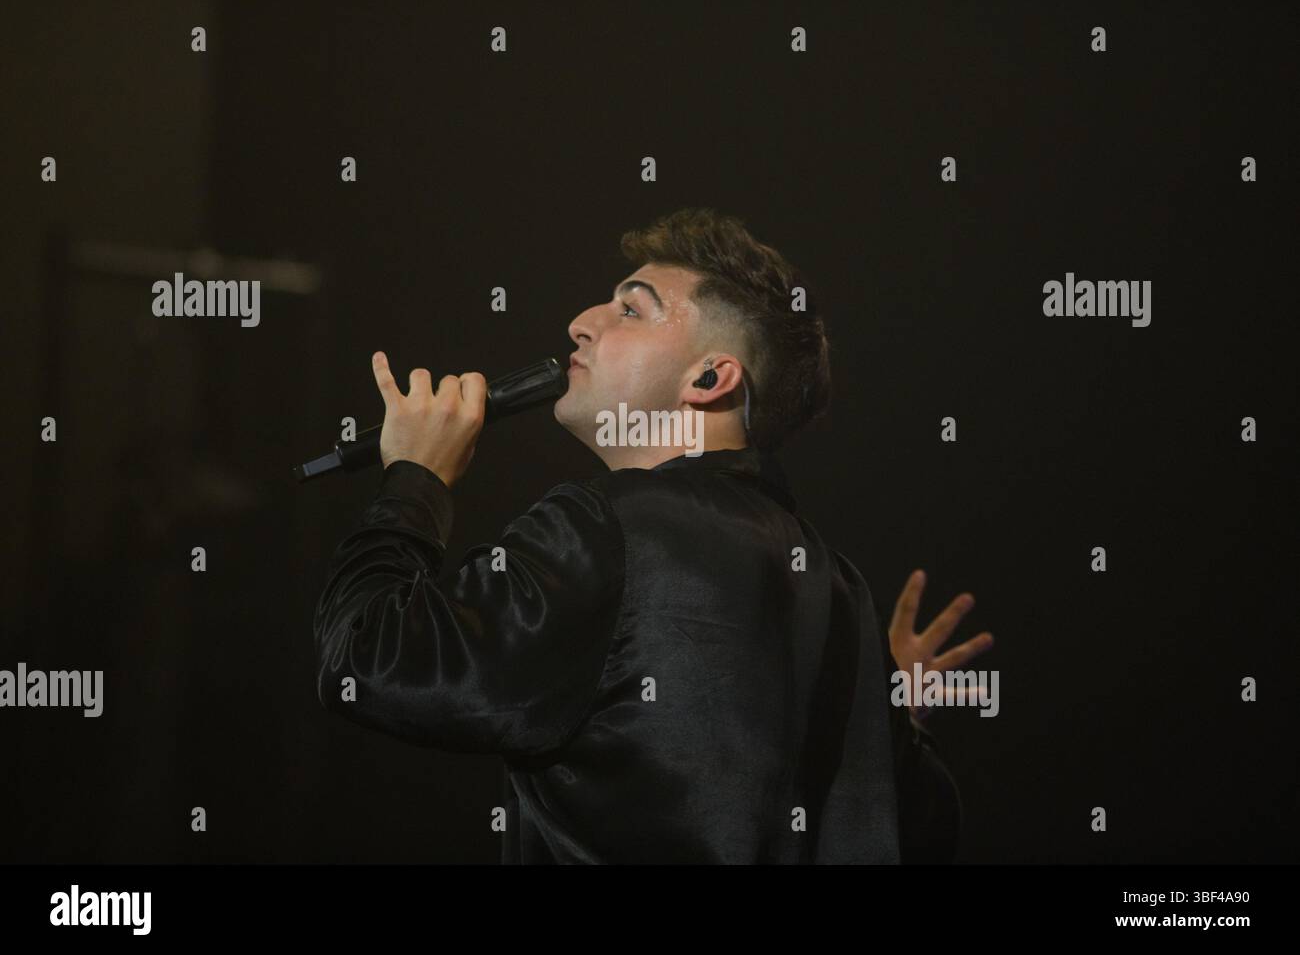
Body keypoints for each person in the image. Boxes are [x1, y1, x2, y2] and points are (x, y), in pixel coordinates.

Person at [313, 208, 992, 863]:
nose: (580, 324)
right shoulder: (838, 588)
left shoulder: (604, 527)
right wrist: (887, 720)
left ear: (709, 376)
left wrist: (416, 480)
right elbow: (925, 837)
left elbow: (368, 658)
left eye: (630, 308)